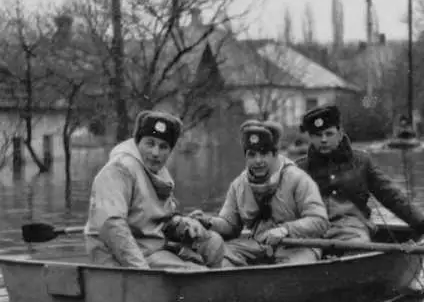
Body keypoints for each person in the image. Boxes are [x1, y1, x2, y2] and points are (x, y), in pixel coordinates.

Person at [84, 109, 225, 269]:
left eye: (163, 146)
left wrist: (182, 224)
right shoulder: (120, 169)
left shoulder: (158, 172)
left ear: (170, 151)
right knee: (195, 273)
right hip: (122, 255)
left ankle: (213, 286)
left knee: (214, 243)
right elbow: (111, 225)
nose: (155, 153)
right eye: (150, 143)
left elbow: (157, 218)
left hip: (152, 246)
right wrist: (141, 269)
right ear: (138, 143)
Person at [190, 119, 329, 266]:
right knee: (217, 257)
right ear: (246, 157)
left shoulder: (298, 179)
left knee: (290, 272)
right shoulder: (239, 185)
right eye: (252, 154)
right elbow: (230, 225)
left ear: (274, 154)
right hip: (258, 245)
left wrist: (285, 230)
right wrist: (208, 222)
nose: (258, 161)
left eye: (264, 153)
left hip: (298, 247)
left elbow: (320, 221)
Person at [296, 104, 424, 243]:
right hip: (311, 231)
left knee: (356, 249)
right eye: (317, 135)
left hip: (352, 230)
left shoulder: (361, 162)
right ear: (310, 137)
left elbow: (391, 195)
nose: (323, 140)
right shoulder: (299, 169)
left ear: (340, 134)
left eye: (329, 134)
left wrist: (421, 223)